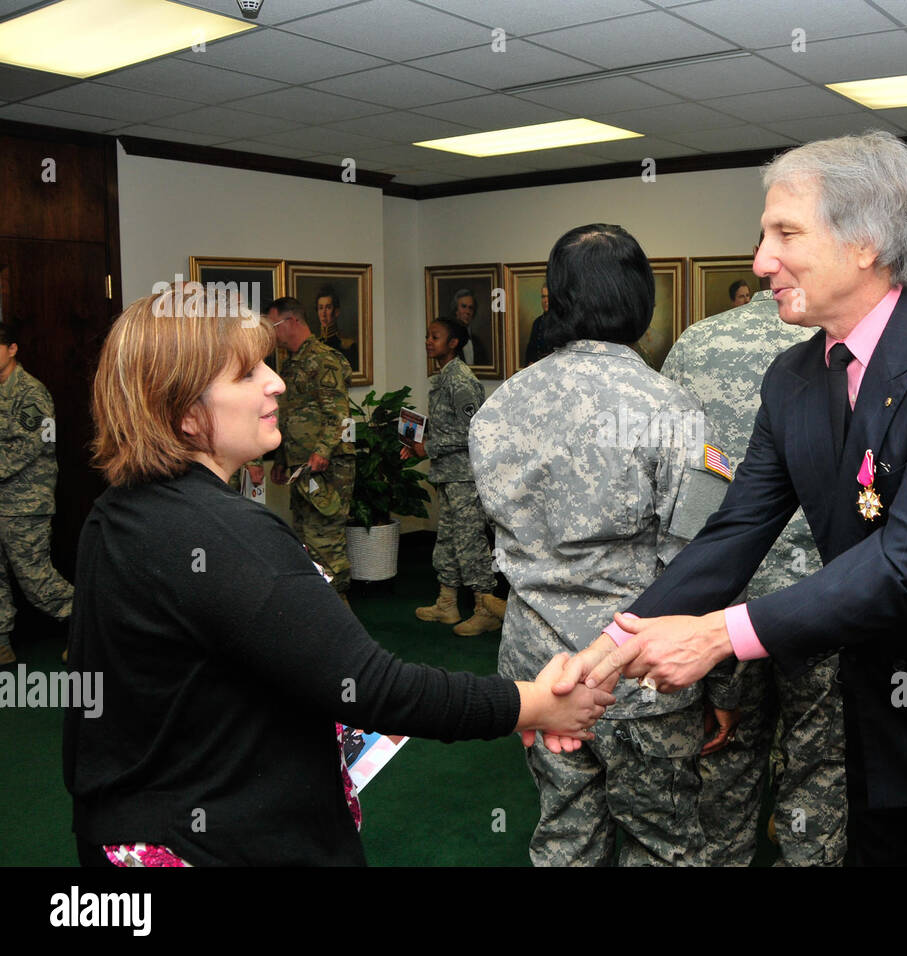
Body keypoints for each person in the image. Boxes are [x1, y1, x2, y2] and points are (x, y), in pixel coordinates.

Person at [571, 132, 907, 866]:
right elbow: (736, 530)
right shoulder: (792, 378)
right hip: (881, 715)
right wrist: (612, 645)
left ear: (866, 242)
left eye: (785, 233)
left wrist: (719, 636)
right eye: (762, 235)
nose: (759, 262)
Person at [62, 284, 612, 867]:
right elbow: (372, 687)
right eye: (247, 373)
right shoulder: (225, 536)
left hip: (130, 832)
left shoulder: (117, 512)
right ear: (185, 412)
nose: (274, 381)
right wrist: (532, 703)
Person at [469, 223, 736, 866]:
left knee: (564, 835)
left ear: (549, 301)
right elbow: (703, 562)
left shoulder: (498, 407)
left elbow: (498, 539)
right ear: (642, 304)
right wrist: (722, 685)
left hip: (540, 678)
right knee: (665, 844)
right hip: (641, 678)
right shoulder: (676, 411)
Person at [660, 271, 847, 867]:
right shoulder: (846, 337)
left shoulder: (698, 341)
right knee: (819, 759)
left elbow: (679, 470)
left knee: (725, 752)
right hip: (826, 591)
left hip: (724, 587)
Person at [405, 317, 503, 636]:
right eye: (427, 335)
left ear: (454, 343)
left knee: (469, 541)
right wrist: (416, 441)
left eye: (435, 337)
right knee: (446, 539)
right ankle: (447, 604)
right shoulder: (442, 377)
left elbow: (473, 433)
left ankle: (484, 608)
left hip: (464, 477)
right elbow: (448, 426)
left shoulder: (460, 379)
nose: (428, 341)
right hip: (447, 475)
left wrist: (428, 447)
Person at [267, 297, 356, 599]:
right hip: (301, 468)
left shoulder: (323, 359)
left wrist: (323, 450)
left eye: (273, 325)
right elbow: (288, 415)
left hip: (327, 467)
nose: (270, 333)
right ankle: (319, 613)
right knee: (305, 540)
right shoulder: (290, 364)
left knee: (326, 541)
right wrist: (280, 458)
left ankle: (339, 616)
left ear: (292, 321)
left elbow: (339, 414)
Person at [0, 323, 74, 666]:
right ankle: (1, 644)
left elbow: (30, 445)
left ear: (12, 349)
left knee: (34, 578)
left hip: (24, 503)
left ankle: (84, 626)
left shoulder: (32, 393)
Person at [316, 287, 359, 371]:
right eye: (320, 308)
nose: (323, 313)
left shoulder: (348, 345)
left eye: (328, 308)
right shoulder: (315, 344)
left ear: (336, 312)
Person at [453, 289, 490, 367]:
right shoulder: (449, 341)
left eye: (471, 308)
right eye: (464, 306)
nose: (467, 311)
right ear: (456, 310)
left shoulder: (477, 342)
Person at [523, 284, 553, 367]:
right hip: (538, 368)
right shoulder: (537, 322)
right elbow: (531, 349)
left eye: (548, 297)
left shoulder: (563, 322)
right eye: (543, 297)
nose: (545, 300)